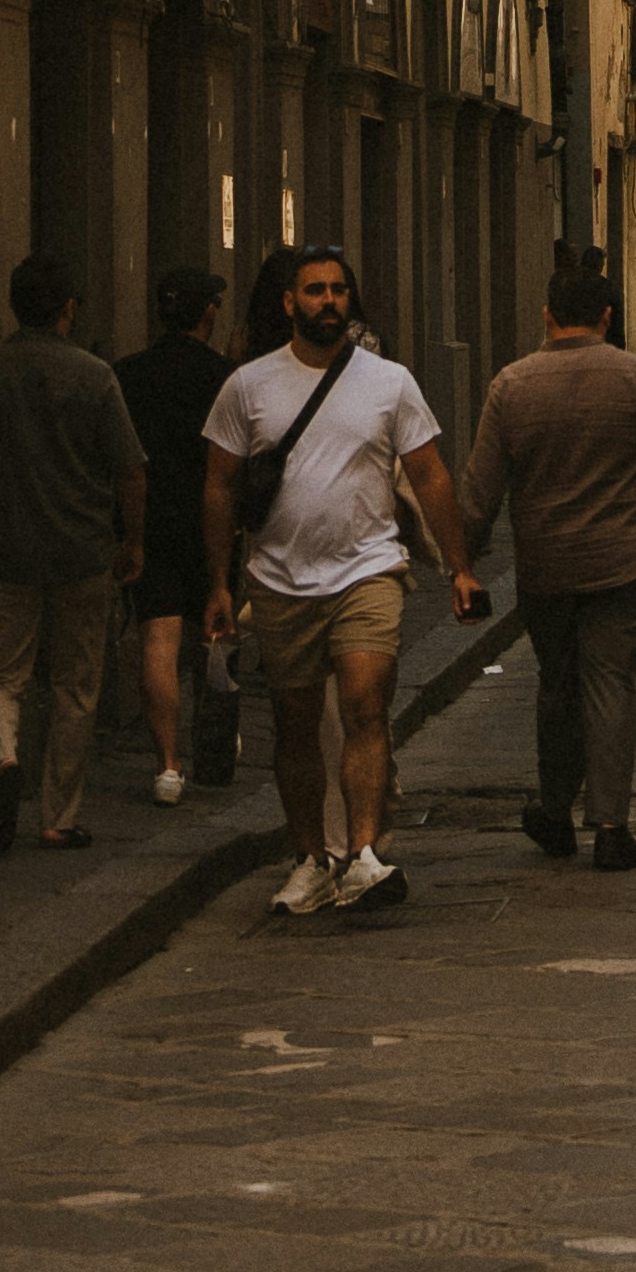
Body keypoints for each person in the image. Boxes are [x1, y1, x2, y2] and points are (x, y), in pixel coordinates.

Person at [205, 247, 476, 921]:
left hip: (367, 570)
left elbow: (431, 474)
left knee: (363, 707)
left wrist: (460, 566)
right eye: (314, 291)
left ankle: (362, 856)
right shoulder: (249, 386)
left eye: (337, 291)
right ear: (290, 303)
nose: (328, 301)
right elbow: (218, 485)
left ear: (349, 301)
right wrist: (217, 582)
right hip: (279, 578)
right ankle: (310, 861)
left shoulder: (389, 382)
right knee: (296, 728)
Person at [474, 252, 636, 872]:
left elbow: (479, 491)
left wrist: (459, 563)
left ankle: (555, 810)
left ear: (547, 314)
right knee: (611, 684)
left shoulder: (511, 385)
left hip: (546, 567)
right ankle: (610, 825)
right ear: (607, 315)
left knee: (557, 685)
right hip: (625, 564)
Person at [0, 260, 144, 854]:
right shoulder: (95, 377)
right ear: (68, 310)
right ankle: (58, 816)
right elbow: (130, 470)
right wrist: (132, 540)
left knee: (1, 678)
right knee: (76, 685)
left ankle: (4, 757)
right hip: (82, 552)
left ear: (13, 306)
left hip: (6, 552)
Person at [111, 269, 234, 805]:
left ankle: (167, 767)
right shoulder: (227, 378)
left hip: (152, 520)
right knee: (213, 632)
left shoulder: (129, 374)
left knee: (158, 642)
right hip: (214, 523)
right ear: (208, 313)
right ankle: (214, 746)